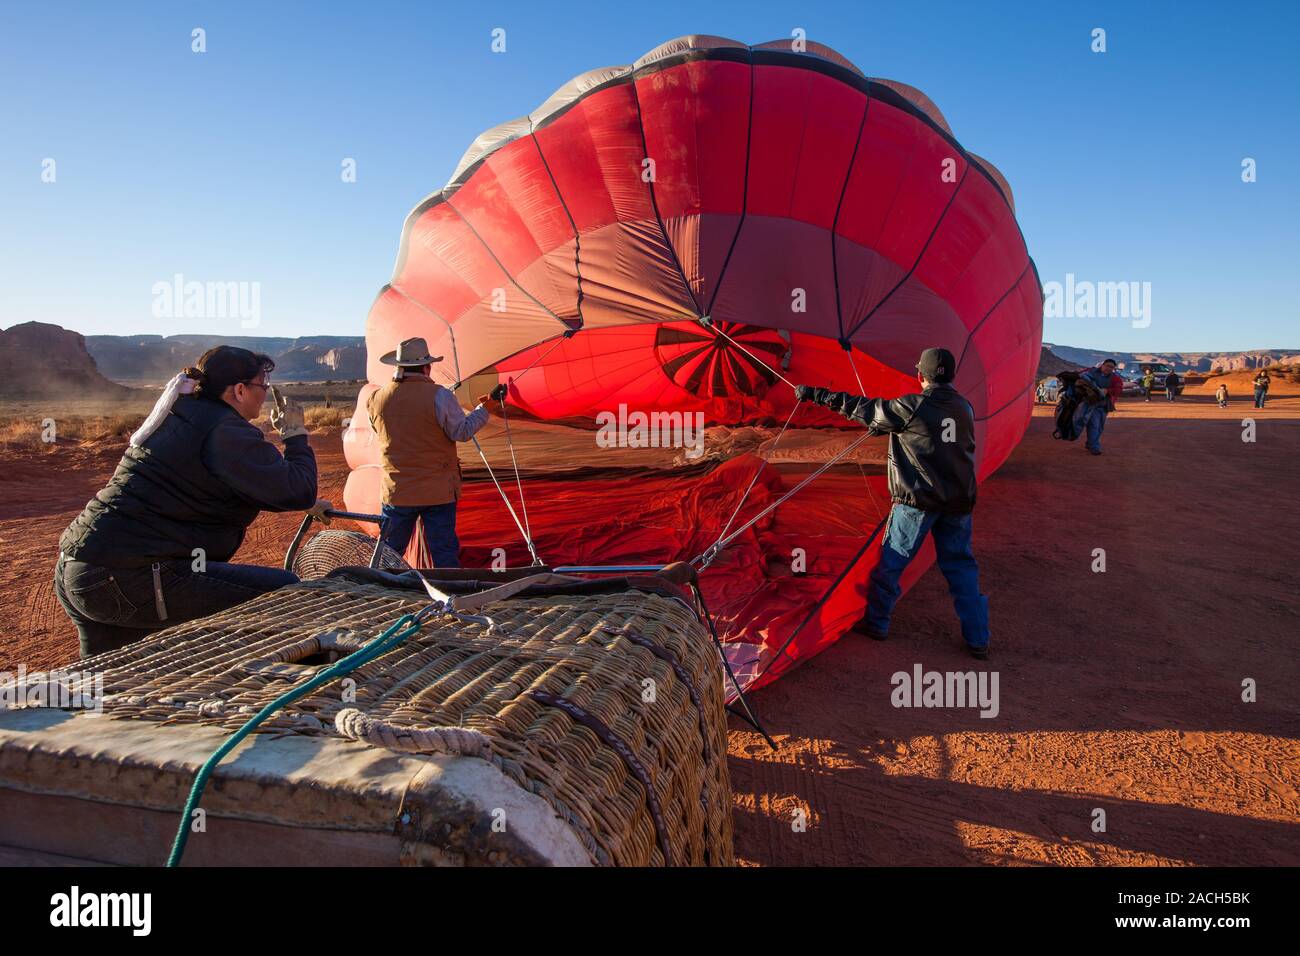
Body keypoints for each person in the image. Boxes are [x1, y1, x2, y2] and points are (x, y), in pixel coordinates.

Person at [55, 347, 326, 657]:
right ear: (239, 390)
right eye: (263, 387)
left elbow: (216, 481)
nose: (265, 395)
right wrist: (295, 435)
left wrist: (302, 500)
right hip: (128, 577)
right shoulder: (226, 430)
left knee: (107, 681)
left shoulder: (182, 415)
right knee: (287, 592)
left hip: (78, 569)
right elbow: (298, 489)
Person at [795, 347, 990, 659]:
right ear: (953, 376)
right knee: (961, 567)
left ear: (919, 375)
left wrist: (812, 394)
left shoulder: (911, 407)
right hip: (957, 503)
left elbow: (862, 408)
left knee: (892, 562)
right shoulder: (964, 407)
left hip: (917, 502)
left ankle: (877, 622)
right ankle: (978, 637)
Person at [367, 337, 504, 567]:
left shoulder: (376, 399)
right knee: (444, 554)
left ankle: (380, 593)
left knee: (389, 554)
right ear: (426, 366)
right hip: (437, 492)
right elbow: (462, 432)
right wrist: (486, 407)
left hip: (397, 491)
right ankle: (449, 595)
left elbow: (383, 431)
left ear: (398, 366)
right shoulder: (440, 396)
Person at [1077, 358, 1123, 456]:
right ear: (1102, 365)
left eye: (1111, 367)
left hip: (1103, 405)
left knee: (1099, 426)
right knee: (1094, 424)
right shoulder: (1091, 372)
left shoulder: (1115, 378)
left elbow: (1118, 389)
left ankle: (1090, 443)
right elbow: (1078, 376)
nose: (1109, 368)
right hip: (1089, 404)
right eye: (1107, 366)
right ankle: (1094, 447)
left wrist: (1108, 391)